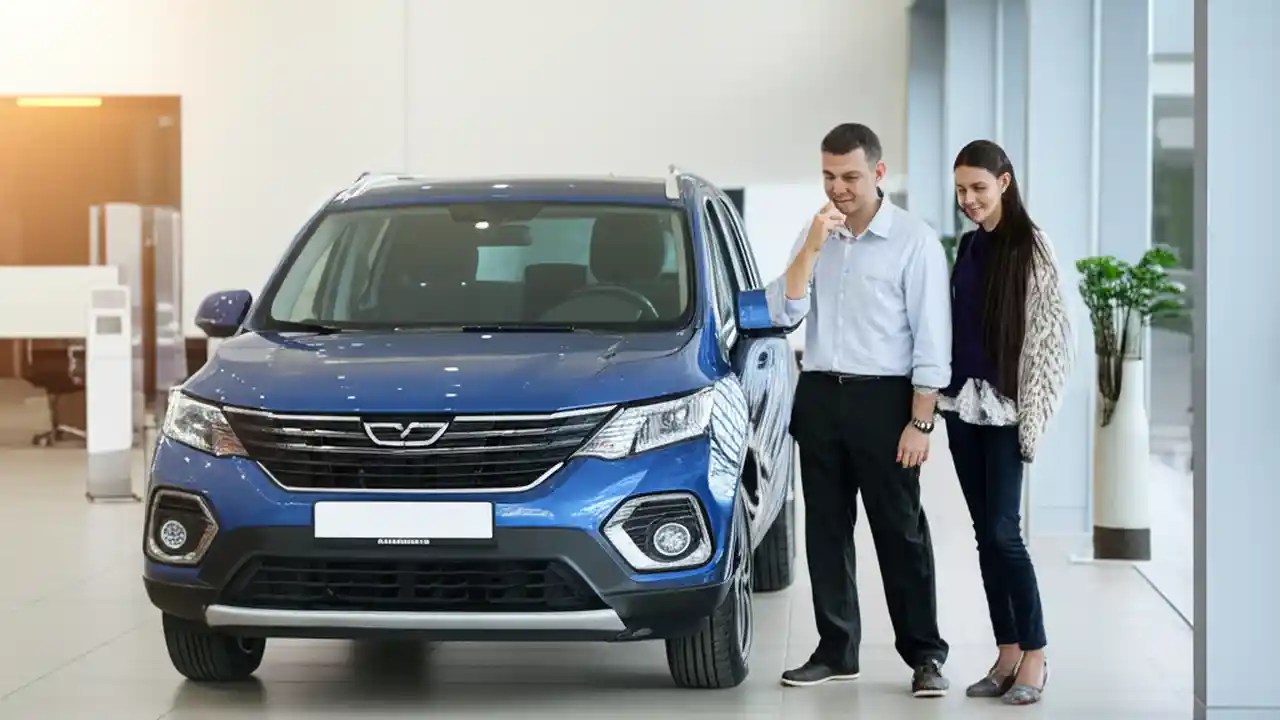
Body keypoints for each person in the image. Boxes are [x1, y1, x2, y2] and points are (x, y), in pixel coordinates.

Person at [765, 123, 953, 698]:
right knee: (825, 529)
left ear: (878, 173)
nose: (838, 188)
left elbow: (932, 340)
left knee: (900, 531)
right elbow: (785, 310)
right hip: (820, 392)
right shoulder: (816, 232)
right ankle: (836, 648)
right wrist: (813, 246)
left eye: (849, 176)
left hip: (885, 399)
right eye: (828, 176)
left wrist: (921, 421)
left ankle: (925, 654)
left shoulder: (914, 241)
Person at [939, 139, 1073, 706]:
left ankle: (1036, 655)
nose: (969, 200)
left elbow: (1051, 339)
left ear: (1005, 183)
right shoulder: (968, 247)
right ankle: (1007, 651)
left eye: (979, 188)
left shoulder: (1031, 247)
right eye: (961, 190)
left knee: (1002, 532)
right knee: (983, 536)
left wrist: (1034, 419)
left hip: (1007, 409)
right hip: (961, 406)